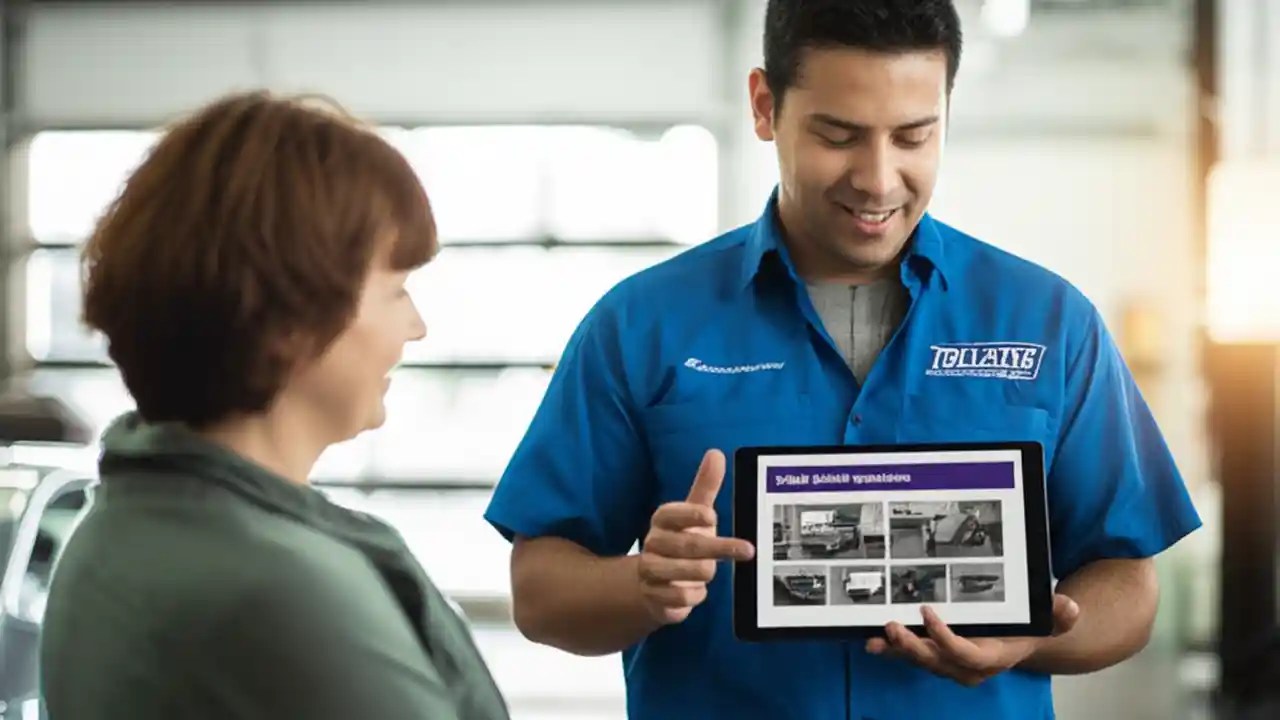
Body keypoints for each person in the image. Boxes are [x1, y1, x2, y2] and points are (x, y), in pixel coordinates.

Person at [482, 1, 1202, 718]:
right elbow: (541, 588)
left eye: (914, 136)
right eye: (838, 135)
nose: (879, 179)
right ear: (766, 107)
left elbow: (1128, 583)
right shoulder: (639, 326)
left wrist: (1030, 638)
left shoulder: (1050, 322)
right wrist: (641, 582)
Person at [39, 91, 509, 720]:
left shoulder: (118, 525)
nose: (416, 328)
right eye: (397, 291)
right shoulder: (281, 587)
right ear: (291, 317)